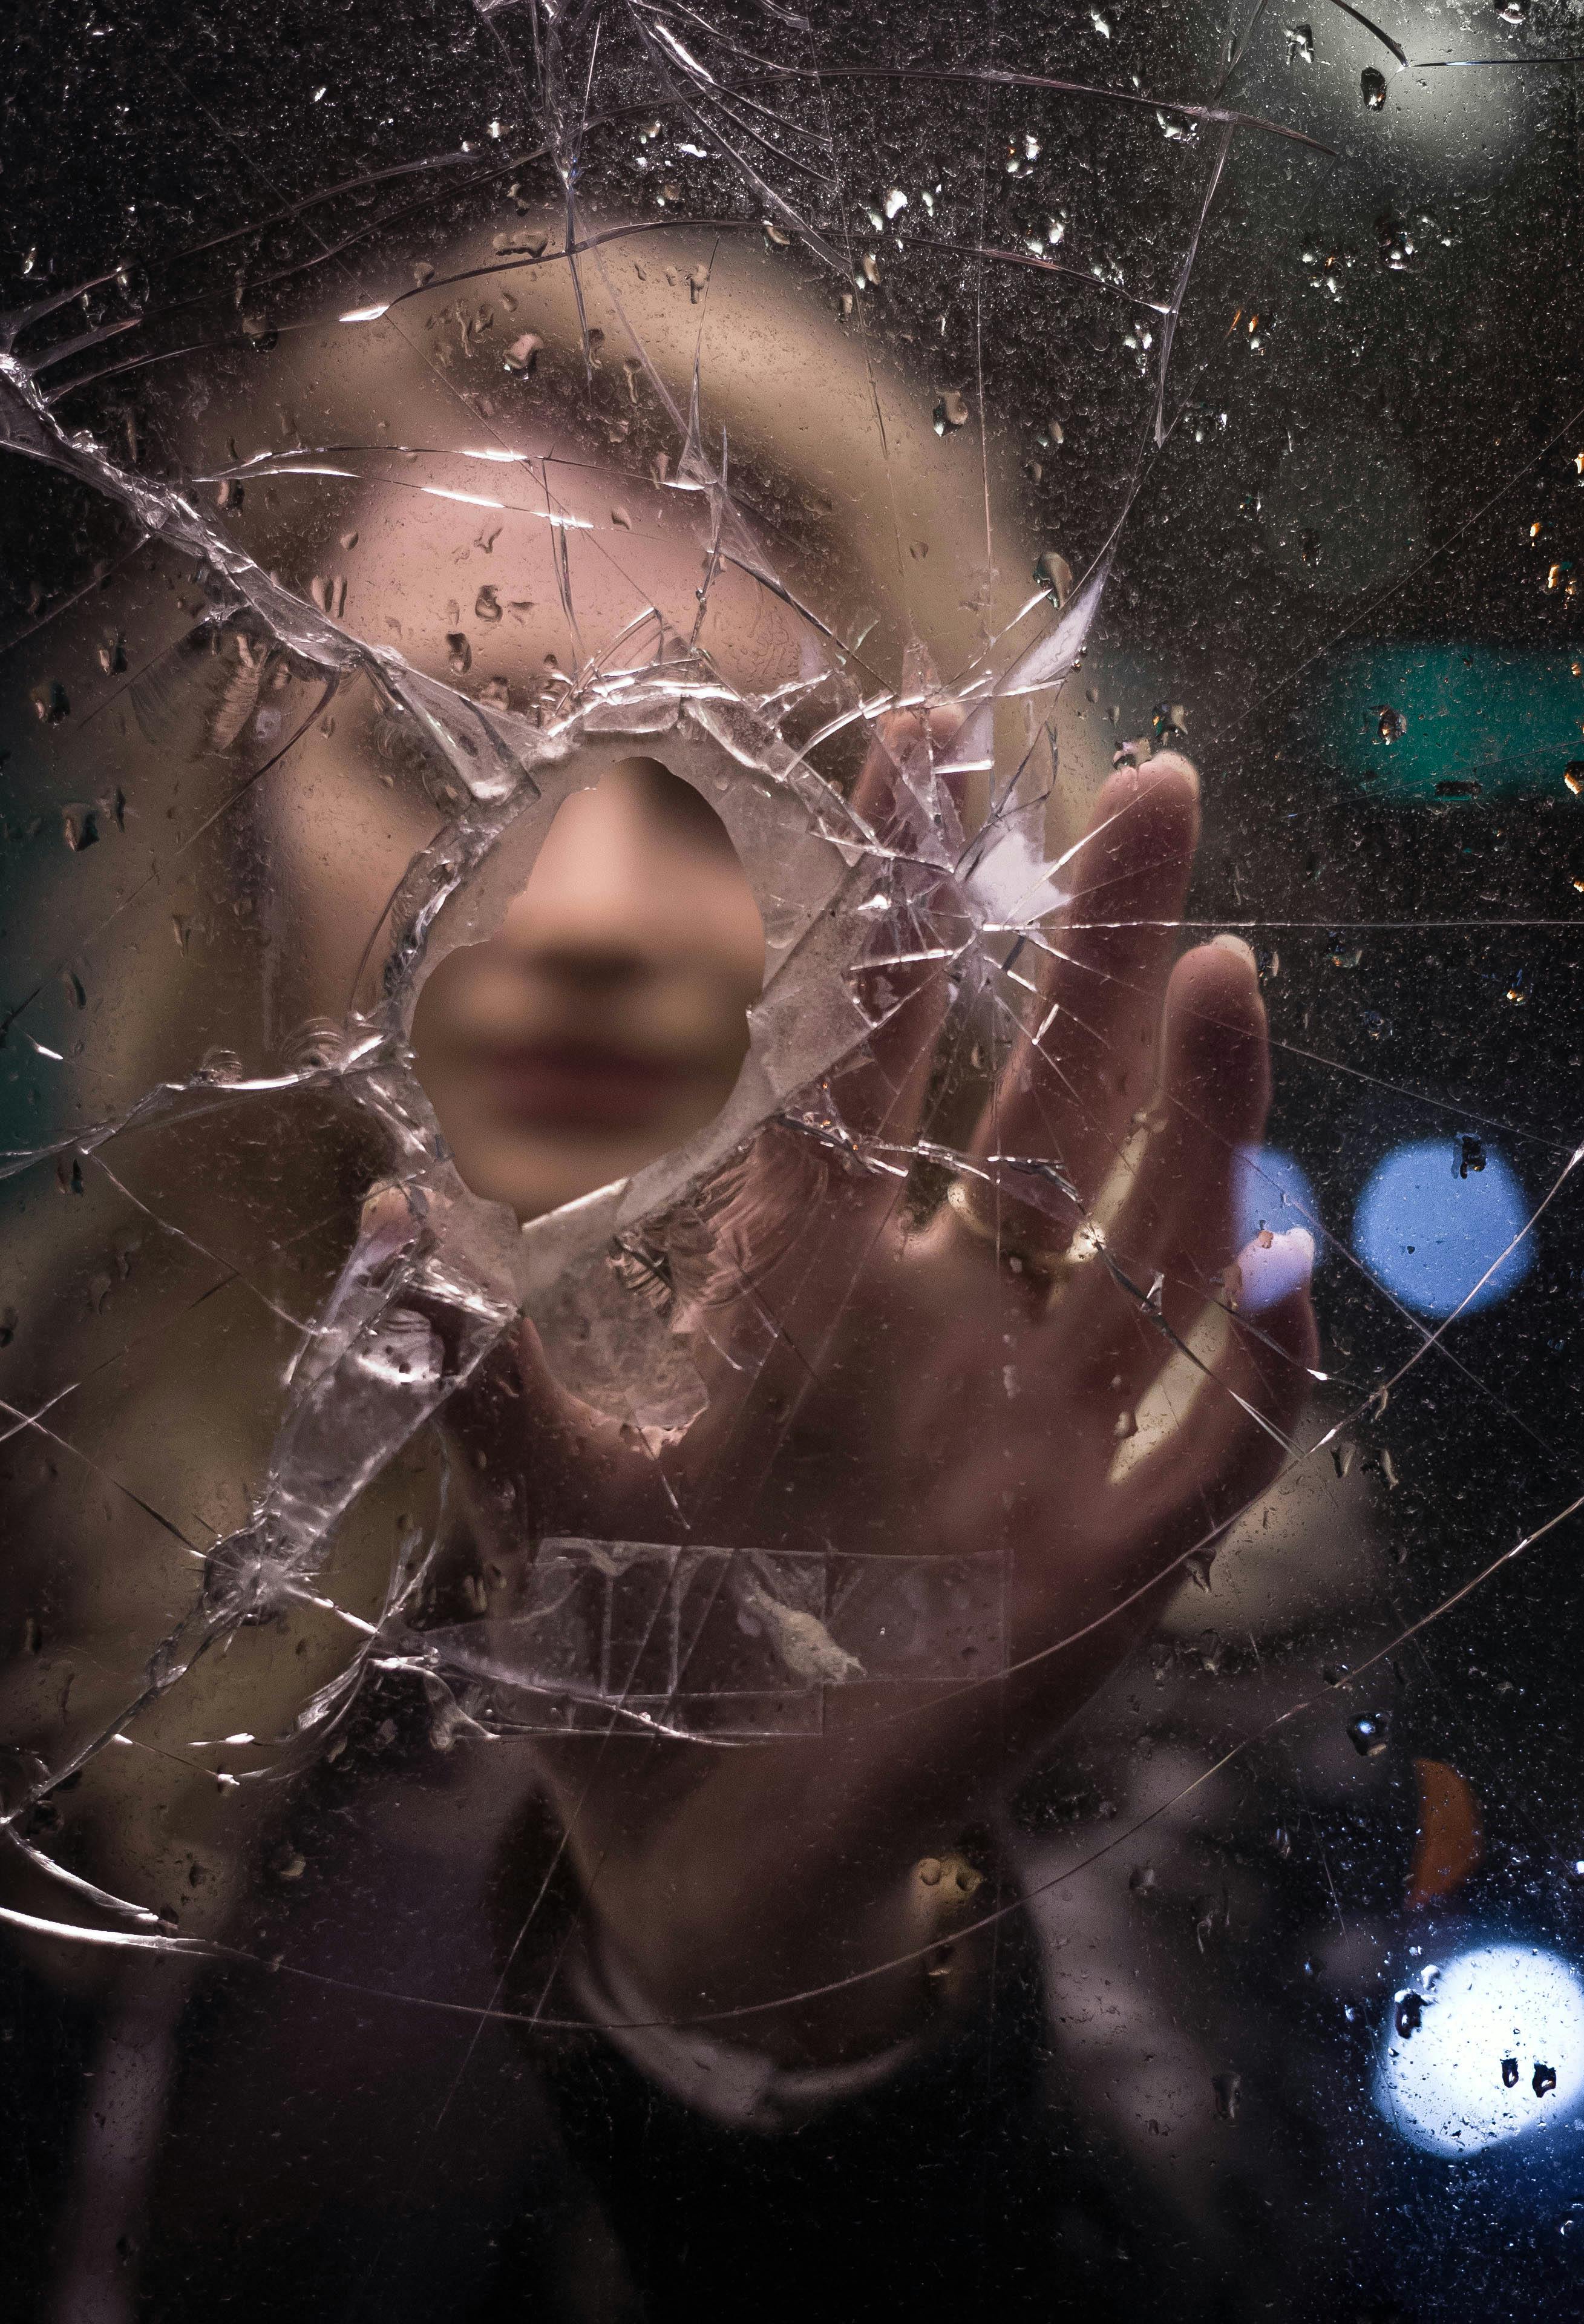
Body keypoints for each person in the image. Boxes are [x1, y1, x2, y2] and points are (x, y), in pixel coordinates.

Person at [5, 212, 1318, 2320]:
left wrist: (789, 2003)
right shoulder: (67, 1473)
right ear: (241, 814)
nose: (597, 899)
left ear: (939, 855)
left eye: (753, 757)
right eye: (436, 750)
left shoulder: (1155, 1584)